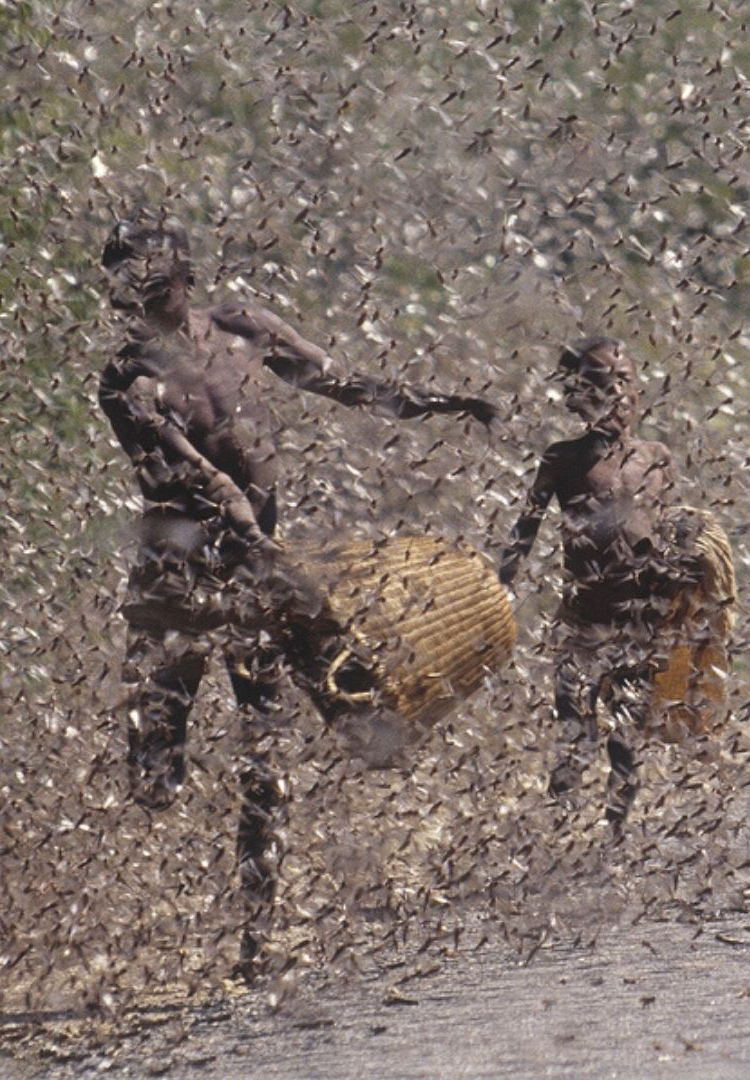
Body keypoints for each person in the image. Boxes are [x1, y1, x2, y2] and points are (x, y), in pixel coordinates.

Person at [96, 216, 497, 969]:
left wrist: (440, 404)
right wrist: (242, 522)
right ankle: (137, 904)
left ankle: (258, 932)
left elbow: (347, 385)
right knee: (157, 773)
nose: (135, 298)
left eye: (149, 279)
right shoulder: (124, 378)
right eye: (123, 286)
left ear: (185, 275)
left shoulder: (245, 330)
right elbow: (187, 471)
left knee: (264, 748)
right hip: (176, 575)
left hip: (254, 572)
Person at [497, 336, 702, 835]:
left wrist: (693, 572)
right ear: (574, 396)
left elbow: (669, 527)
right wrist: (497, 588)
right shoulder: (563, 460)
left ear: (639, 391)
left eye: (623, 380)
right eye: (596, 383)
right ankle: (556, 834)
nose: (613, 392)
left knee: (627, 739)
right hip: (582, 621)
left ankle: (613, 838)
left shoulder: (656, 458)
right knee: (575, 734)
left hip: (640, 622)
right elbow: (524, 531)